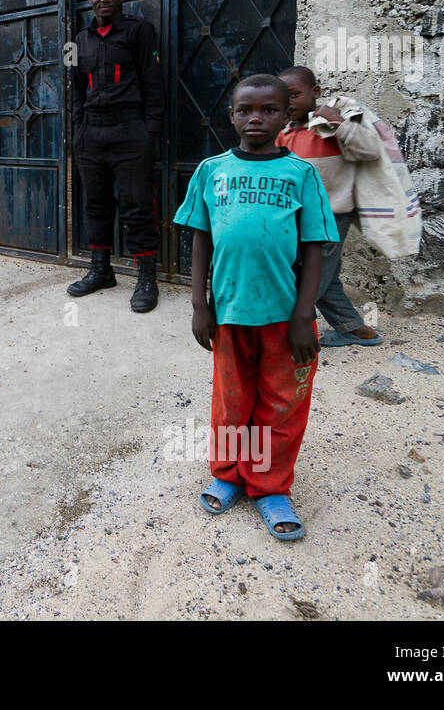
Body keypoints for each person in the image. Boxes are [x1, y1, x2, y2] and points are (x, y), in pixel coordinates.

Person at [173, 74, 339, 541]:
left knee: (282, 404)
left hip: (286, 318)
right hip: (228, 313)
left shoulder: (301, 175)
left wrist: (305, 315)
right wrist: (198, 303)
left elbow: (314, 249)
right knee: (231, 402)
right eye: (246, 109)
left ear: (288, 115)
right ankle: (228, 475)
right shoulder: (212, 171)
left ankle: (269, 486)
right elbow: (201, 236)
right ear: (232, 115)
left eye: (269, 110)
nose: (256, 118)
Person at [67, 0, 166, 312]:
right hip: (91, 134)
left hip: (130, 132)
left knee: (138, 205)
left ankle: (146, 277)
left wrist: (148, 130)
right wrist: (78, 132)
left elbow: (153, 83)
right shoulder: (77, 41)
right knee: (96, 205)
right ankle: (100, 270)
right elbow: (77, 92)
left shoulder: (140, 32)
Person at [276, 66, 383, 347]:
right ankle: (355, 329)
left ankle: (289, 334)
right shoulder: (284, 134)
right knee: (324, 276)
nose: (289, 102)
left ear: (316, 93)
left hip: (331, 217)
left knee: (311, 278)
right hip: (297, 220)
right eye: (283, 97)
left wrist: (338, 123)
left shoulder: (326, 127)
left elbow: (371, 150)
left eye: (295, 94)